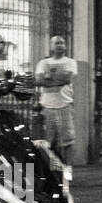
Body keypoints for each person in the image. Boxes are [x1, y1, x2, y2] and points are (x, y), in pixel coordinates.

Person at [34, 35, 77, 163]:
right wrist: (58, 79)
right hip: (47, 107)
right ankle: (51, 171)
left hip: (65, 106)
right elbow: (39, 81)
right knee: (48, 142)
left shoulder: (70, 62)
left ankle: (67, 172)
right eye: (57, 43)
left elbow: (67, 78)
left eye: (62, 43)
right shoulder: (43, 63)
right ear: (51, 47)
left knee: (68, 141)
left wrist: (49, 77)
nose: (60, 45)